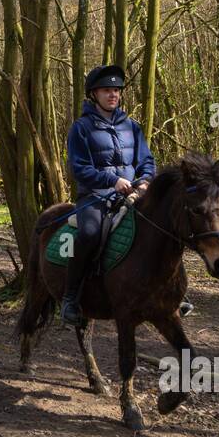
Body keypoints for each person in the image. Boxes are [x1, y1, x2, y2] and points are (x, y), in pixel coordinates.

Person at [60, 65, 157, 326]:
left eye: (116, 90)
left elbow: (147, 161)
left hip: (133, 193)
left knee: (160, 227)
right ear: (94, 94)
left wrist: (146, 180)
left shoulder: (132, 127)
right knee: (90, 233)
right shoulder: (81, 128)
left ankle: (165, 294)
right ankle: (70, 298)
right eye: (106, 90)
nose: (113, 95)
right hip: (95, 195)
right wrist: (112, 181)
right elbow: (79, 169)